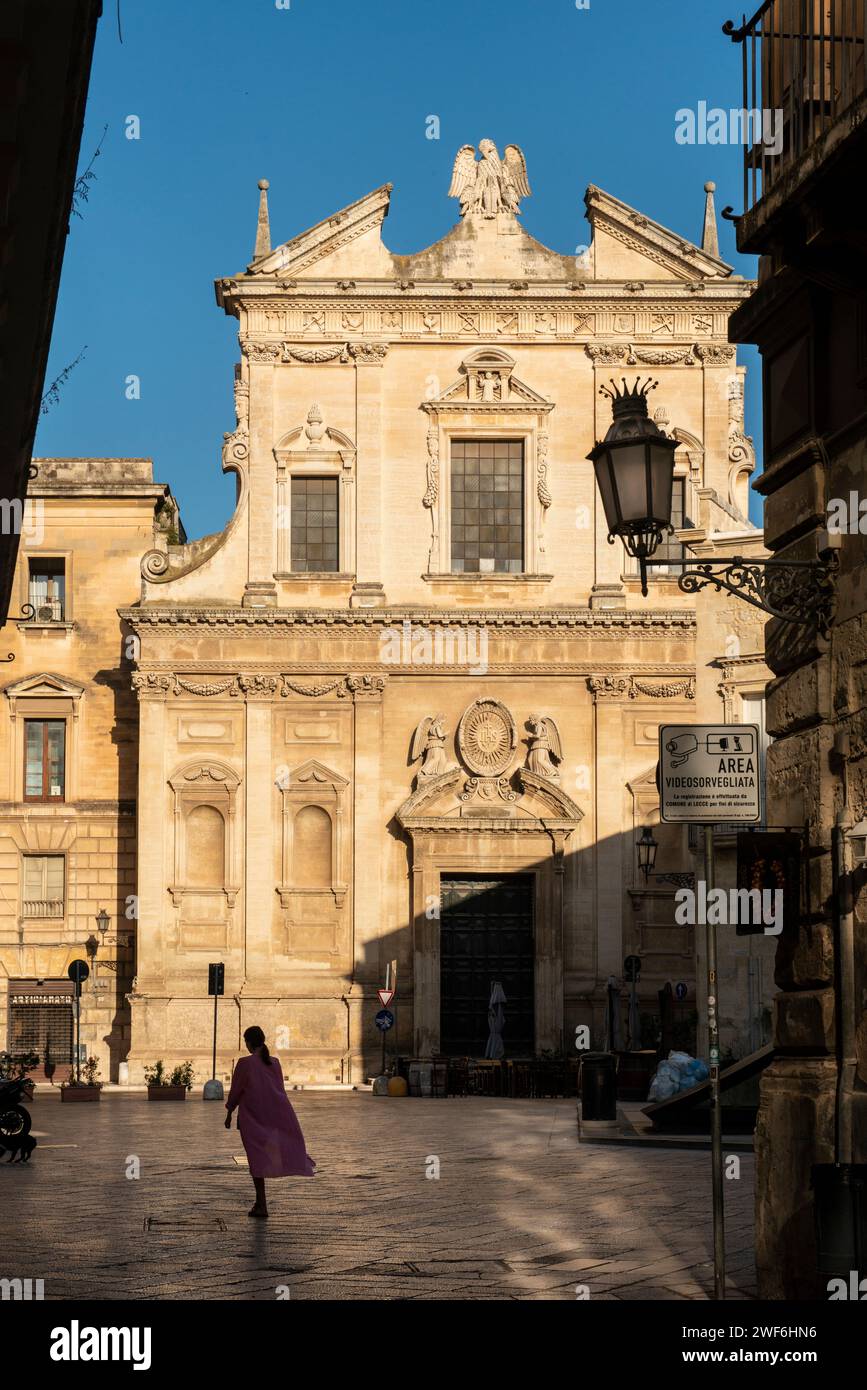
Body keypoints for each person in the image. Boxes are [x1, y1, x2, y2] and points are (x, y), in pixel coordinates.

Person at [224, 1025, 315, 1217]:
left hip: (252, 1118)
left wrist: (230, 1111)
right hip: (274, 1114)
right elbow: (278, 1089)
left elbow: (237, 1090)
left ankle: (261, 1203)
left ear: (249, 1043)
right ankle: (260, 1203)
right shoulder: (275, 1062)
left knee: (255, 1157)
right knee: (272, 1151)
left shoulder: (244, 1063)